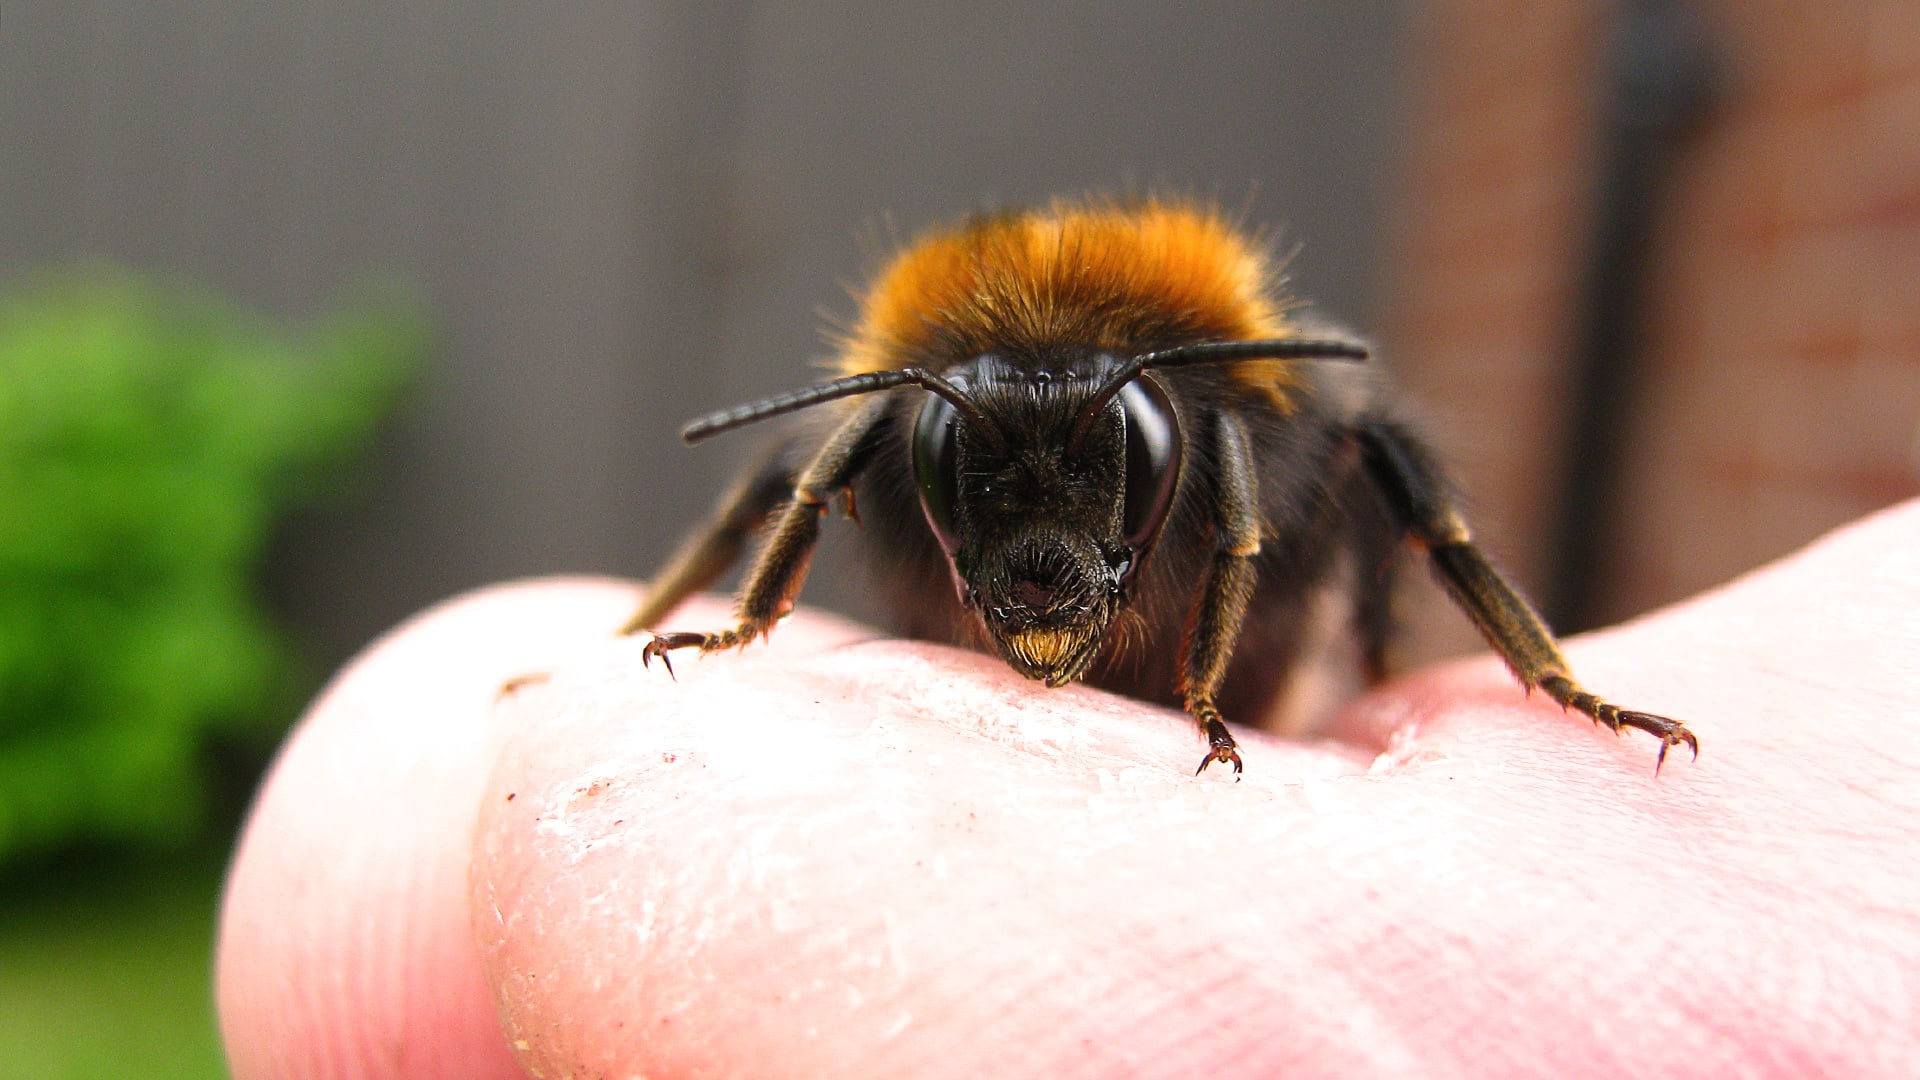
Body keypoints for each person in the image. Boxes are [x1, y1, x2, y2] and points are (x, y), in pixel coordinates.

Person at [216, 500, 1920, 1079]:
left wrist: (1242, 684)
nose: (1039, 533)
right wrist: (711, 628)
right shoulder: (898, 438)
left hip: (1236, 679)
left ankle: (1527, 676)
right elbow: (802, 471)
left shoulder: (1238, 431)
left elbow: (1360, 461)